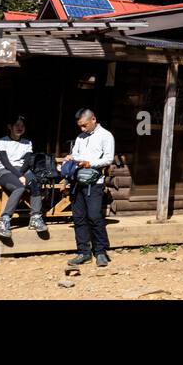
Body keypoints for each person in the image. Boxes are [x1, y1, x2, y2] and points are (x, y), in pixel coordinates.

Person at [65, 108, 115, 266]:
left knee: (94, 216)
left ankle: (100, 252)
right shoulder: (80, 136)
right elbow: (76, 153)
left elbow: (108, 159)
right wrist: (72, 158)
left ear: (93, 119)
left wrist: (90, 163)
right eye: (80, 126)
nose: (82, 129)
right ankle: (83, 252)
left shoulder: (106, 136)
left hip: (94, 182)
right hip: (77, 180)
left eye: (84, 125)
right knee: (79, 218)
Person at [0, 115, 45, 236]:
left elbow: (27, 161)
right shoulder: (2, 141)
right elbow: (5, 163)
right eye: (17, 125)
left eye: (22, 126)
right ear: (10, 127)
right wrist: (19, 176)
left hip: (22, 170)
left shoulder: (27, 143)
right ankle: (4, 220)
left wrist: (21, 174)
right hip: (4, 171)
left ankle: (35, 217)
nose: (20, 128)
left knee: (34, 183)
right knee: (19, 187)